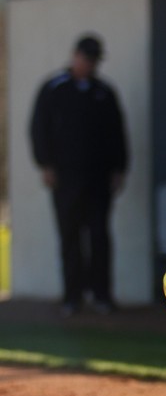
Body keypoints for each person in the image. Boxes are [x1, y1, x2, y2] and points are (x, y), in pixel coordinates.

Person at [30, 34, 128, 316]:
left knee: (99, 236)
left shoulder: (104, 92)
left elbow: (117, 133)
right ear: (76, 56)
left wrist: (119, 168)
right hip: (65, 178)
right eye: (86, 58)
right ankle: (72, 296)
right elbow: (39, 129)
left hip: (98, 178)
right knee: (69, 237)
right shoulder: (54, 88)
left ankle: (102, 295)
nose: (90, 64)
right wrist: (45, 164)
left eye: (95, 59)